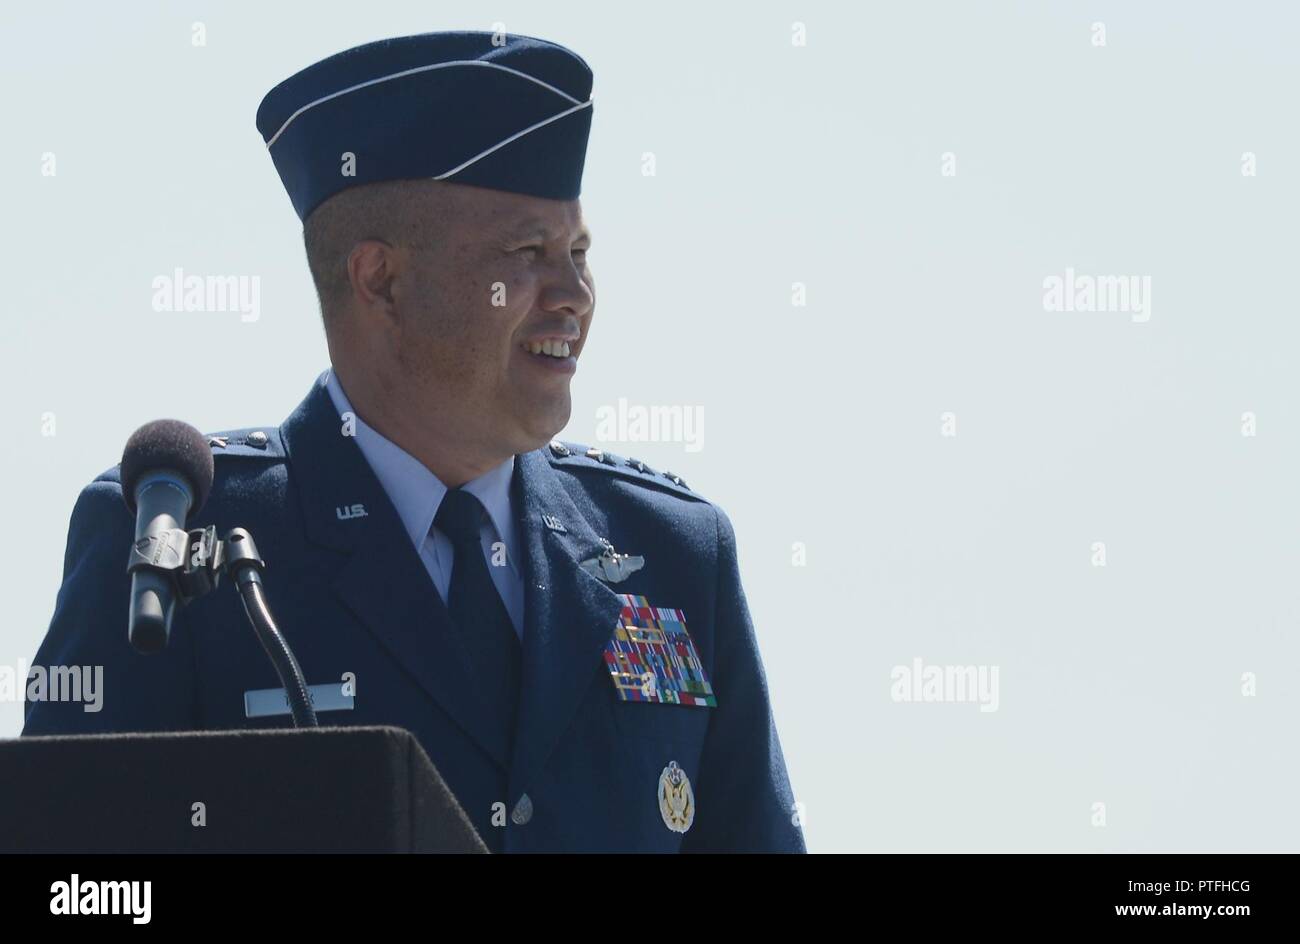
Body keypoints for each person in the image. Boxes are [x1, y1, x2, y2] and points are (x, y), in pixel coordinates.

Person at [24, 30, 805, 853]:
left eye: (578, 252)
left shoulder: (672, 552)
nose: (574, 294)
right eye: (528, 254)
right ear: (381, 281)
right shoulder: (177, 543)